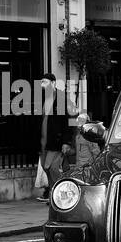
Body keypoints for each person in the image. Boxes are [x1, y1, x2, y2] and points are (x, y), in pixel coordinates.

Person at [35, 72, 75, 202]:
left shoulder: (62, 99)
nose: (42, 85)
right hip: (43, 142)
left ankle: (62, 195)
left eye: (45, 82)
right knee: (46, 168)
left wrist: (66, 141)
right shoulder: (40, 98)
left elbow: (70, 122)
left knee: (53, 168)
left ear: (53, 83)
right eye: (41, 82)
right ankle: (54, 193)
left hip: (56, 142)